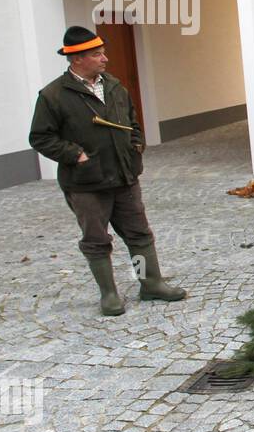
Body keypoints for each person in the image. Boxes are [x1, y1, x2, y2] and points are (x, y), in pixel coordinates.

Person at [28, 26, 186, 316]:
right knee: (97, 240)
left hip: (125, 176)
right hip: (86, 184)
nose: (105, 59)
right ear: (76, 59)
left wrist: (136, 145)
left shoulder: (113, 86)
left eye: (103, 52)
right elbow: (40, 137)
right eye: (96, 54)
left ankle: (150, 283)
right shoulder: (53, 95)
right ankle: (109, 294)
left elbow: (132, 121)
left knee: (139, 233)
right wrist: (76, 155)